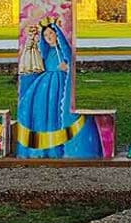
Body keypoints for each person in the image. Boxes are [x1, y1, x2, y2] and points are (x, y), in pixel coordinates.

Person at [15, 13, 101, 157]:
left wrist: (65, 66)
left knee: (56, 111)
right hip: (44, 85)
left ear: (56, 34)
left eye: (51, 33)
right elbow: (34, 57)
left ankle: (59, 145)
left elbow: (69, 63)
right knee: (41, 111)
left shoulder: (62, 51)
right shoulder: (46, 52)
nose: (48, 37)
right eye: (46, 35)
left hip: (59, 84)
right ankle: (41, 146)